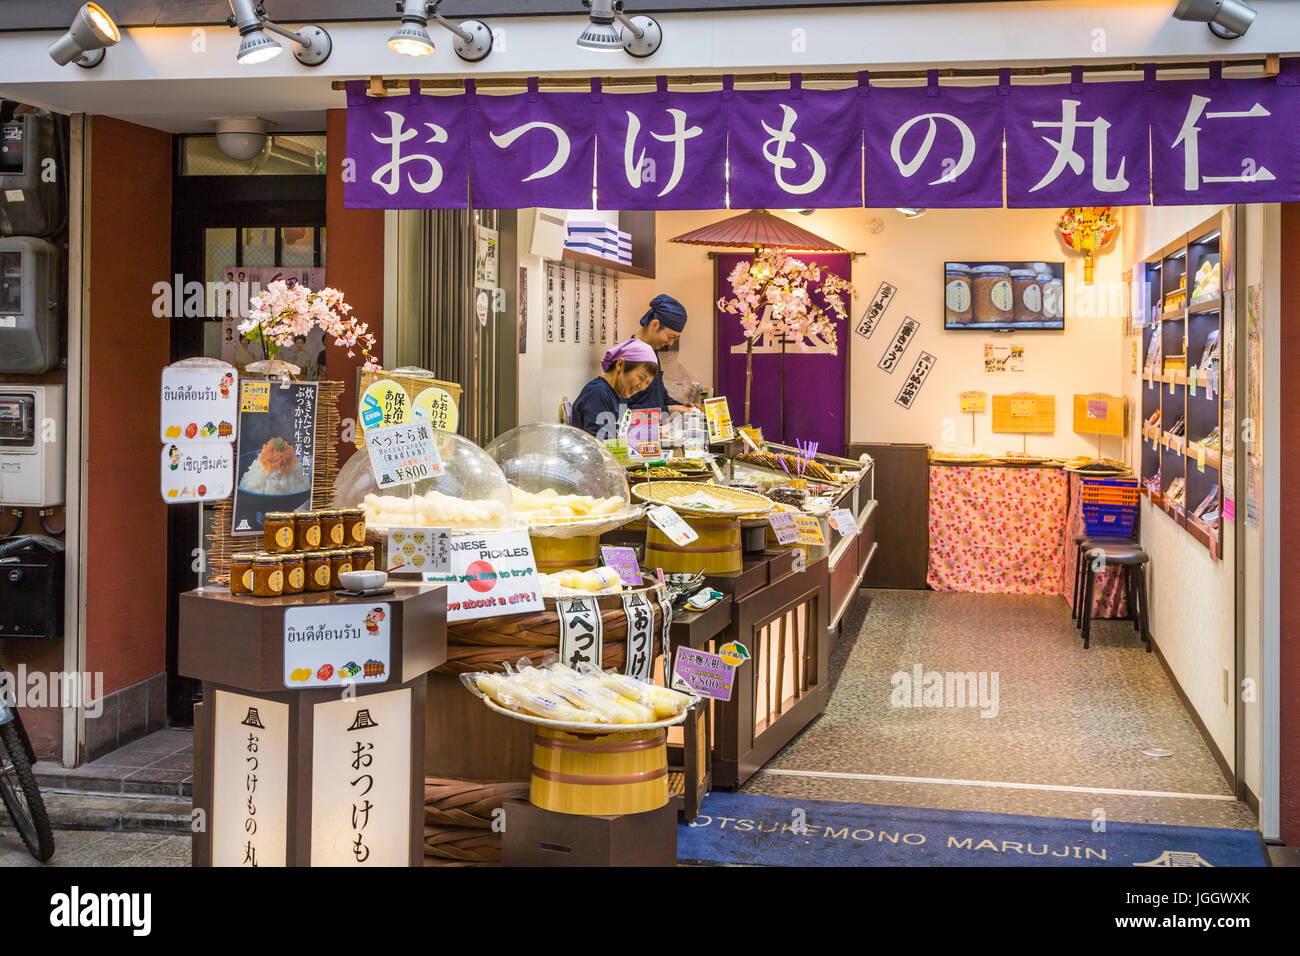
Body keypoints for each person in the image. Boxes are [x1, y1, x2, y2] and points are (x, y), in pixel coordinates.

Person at [569, 338, 659, 439]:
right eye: (641, 378)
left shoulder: (619, 394)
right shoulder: (598, 393)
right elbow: (600, 446)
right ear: (620, 365)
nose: (642, 387)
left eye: (647, 383)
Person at [626, 293, 695, 414]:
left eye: (675, 339)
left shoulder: (652, 353)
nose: (670, 343)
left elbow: (659, 397)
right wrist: (670, 409)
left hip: (655, 429)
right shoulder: (631, 357)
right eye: (670, 337)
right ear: (654, 324)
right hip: (639, 432)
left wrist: (683, 407)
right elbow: (625, 412)